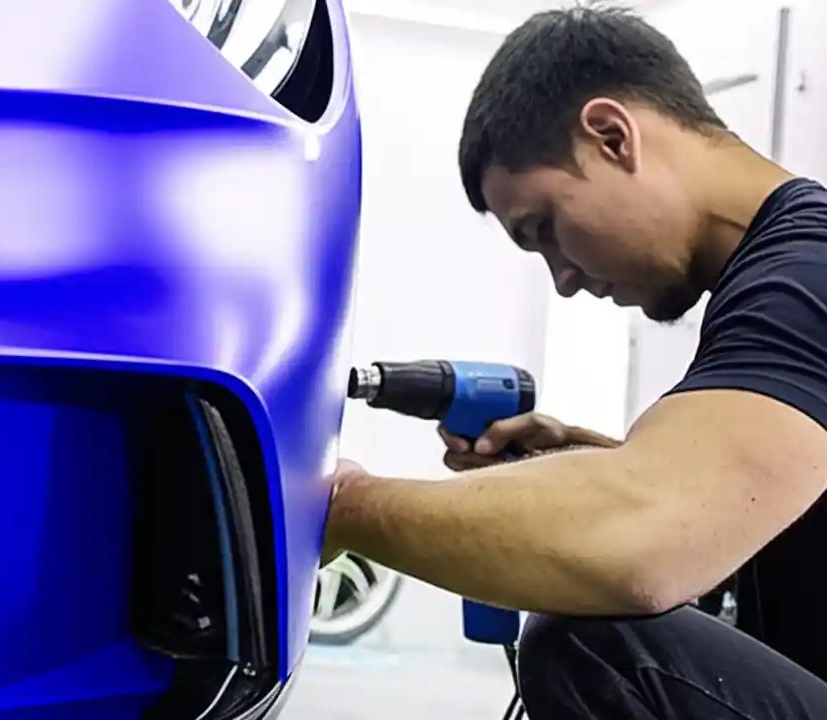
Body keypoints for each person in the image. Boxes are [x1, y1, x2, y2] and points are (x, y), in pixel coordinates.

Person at [322, 6, 827, 719]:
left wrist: (341, 507)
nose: (563, 277)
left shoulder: (806, 273)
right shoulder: (783, 269)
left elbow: (648, 544)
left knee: (598, 645)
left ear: (612, 136)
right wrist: (595, 464)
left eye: (546, 230)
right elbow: (745, 519)